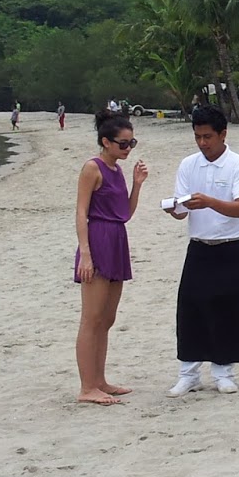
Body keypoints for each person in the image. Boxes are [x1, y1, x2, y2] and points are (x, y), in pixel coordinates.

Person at [164, 104, 239, 396]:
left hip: (232, 246)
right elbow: (182, 209)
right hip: (199, 245)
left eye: (208, 136)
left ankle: (223, 371)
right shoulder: (188, 165)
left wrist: (209, 201)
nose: (203, 143)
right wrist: (176, 210)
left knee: (229, 308)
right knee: (190, 308)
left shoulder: (238, 165)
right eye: (197, 137)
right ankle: (188, 373)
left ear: (222, 134)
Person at [73, 109, 147, 405]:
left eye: (131, 143)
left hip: (117, 239)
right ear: (106, 142)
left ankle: (99, 380)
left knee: (107, 318)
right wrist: (86, 256)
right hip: (98, 240)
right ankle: (86, 387)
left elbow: (125, 214)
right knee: (91, 318)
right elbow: (80, 212)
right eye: (123, 143)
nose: (128, 148)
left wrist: (137, 183)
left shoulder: (117, 170)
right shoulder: (92, 168)